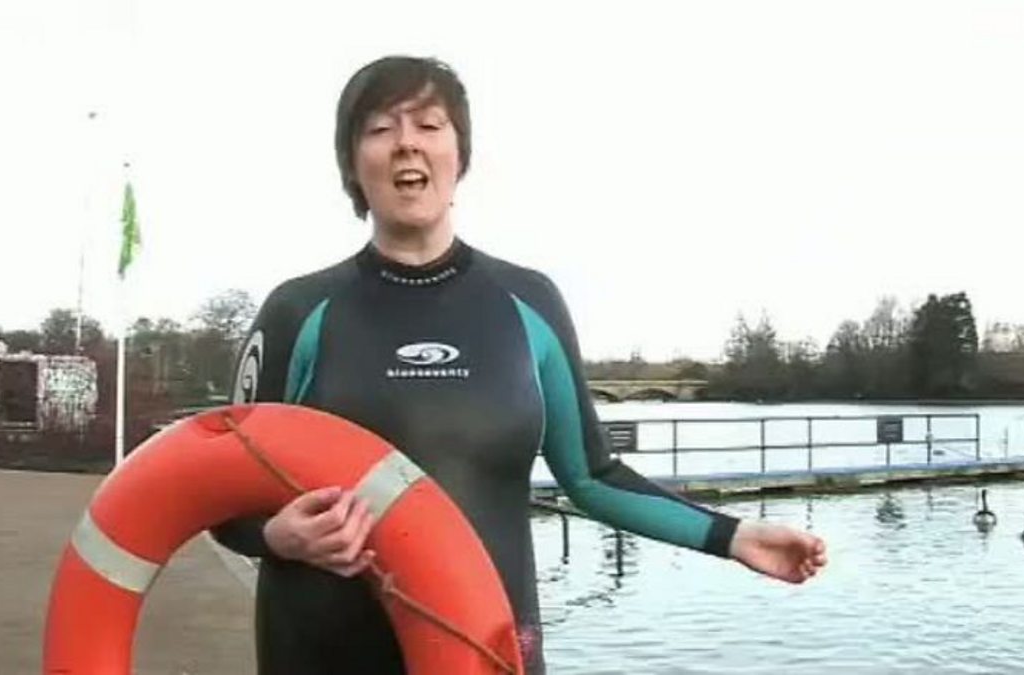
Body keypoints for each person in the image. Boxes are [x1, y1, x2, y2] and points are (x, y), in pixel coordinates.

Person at [211, 54, 828, 675]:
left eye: (428, 125)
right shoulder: (300, 310)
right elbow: (223, 499)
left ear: (461, 154)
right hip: (319, 649)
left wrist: (733, 535)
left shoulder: (527, 303)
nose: (406, 145)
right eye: (379, 129)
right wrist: (274, 536)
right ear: (352, 163)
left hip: (486, 645)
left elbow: (592, 476)